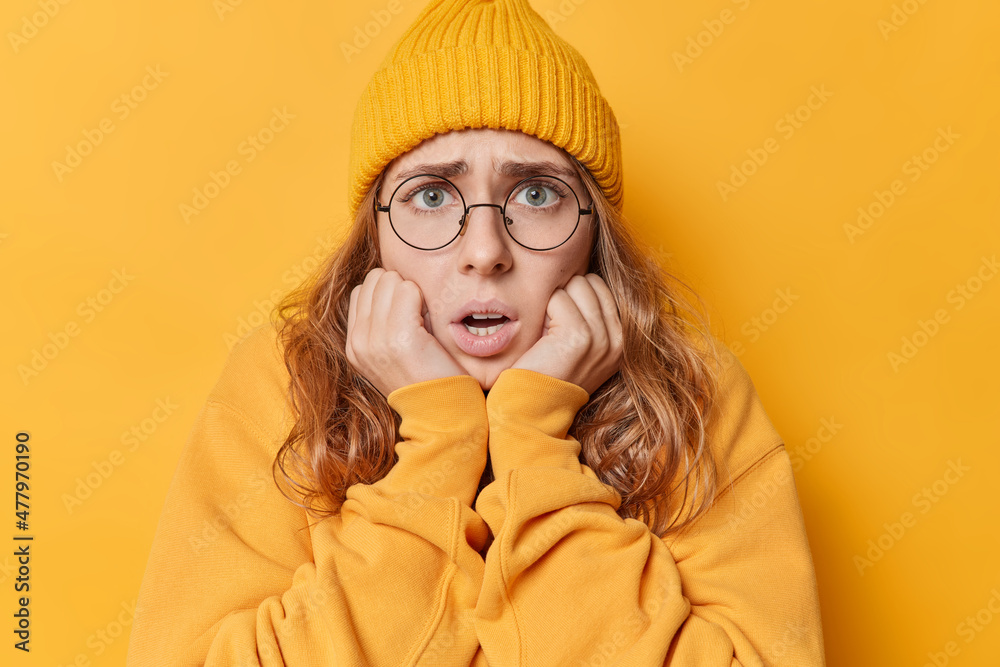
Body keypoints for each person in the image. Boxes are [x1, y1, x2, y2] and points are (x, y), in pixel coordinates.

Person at [127, 0, 826, 664]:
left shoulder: (694, 393)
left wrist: (534, 436)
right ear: (374, 237)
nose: (485, 248)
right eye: (432, 195)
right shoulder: (281, 385)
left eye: (537, 192)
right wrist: (438, 443)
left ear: (596, 238)